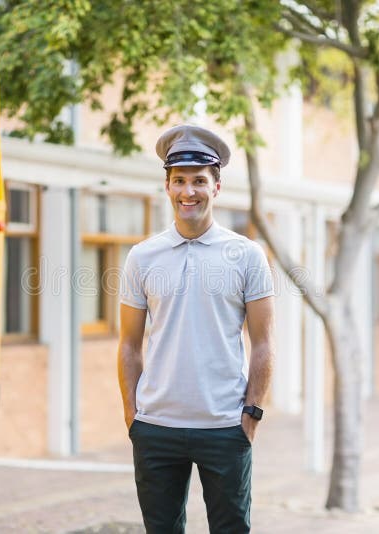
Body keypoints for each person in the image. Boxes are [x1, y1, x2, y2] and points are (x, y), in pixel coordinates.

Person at [118, 124, 275, 533]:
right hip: (156, 429)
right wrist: (133, 416)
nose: (190, 192)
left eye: (199, 181)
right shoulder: (142, 257)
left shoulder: (247, 256)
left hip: (224, 427)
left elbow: (263, 344)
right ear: (167, 187)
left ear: (217, 187)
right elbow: (129, 345)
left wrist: (251, 416)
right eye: (180, 181)